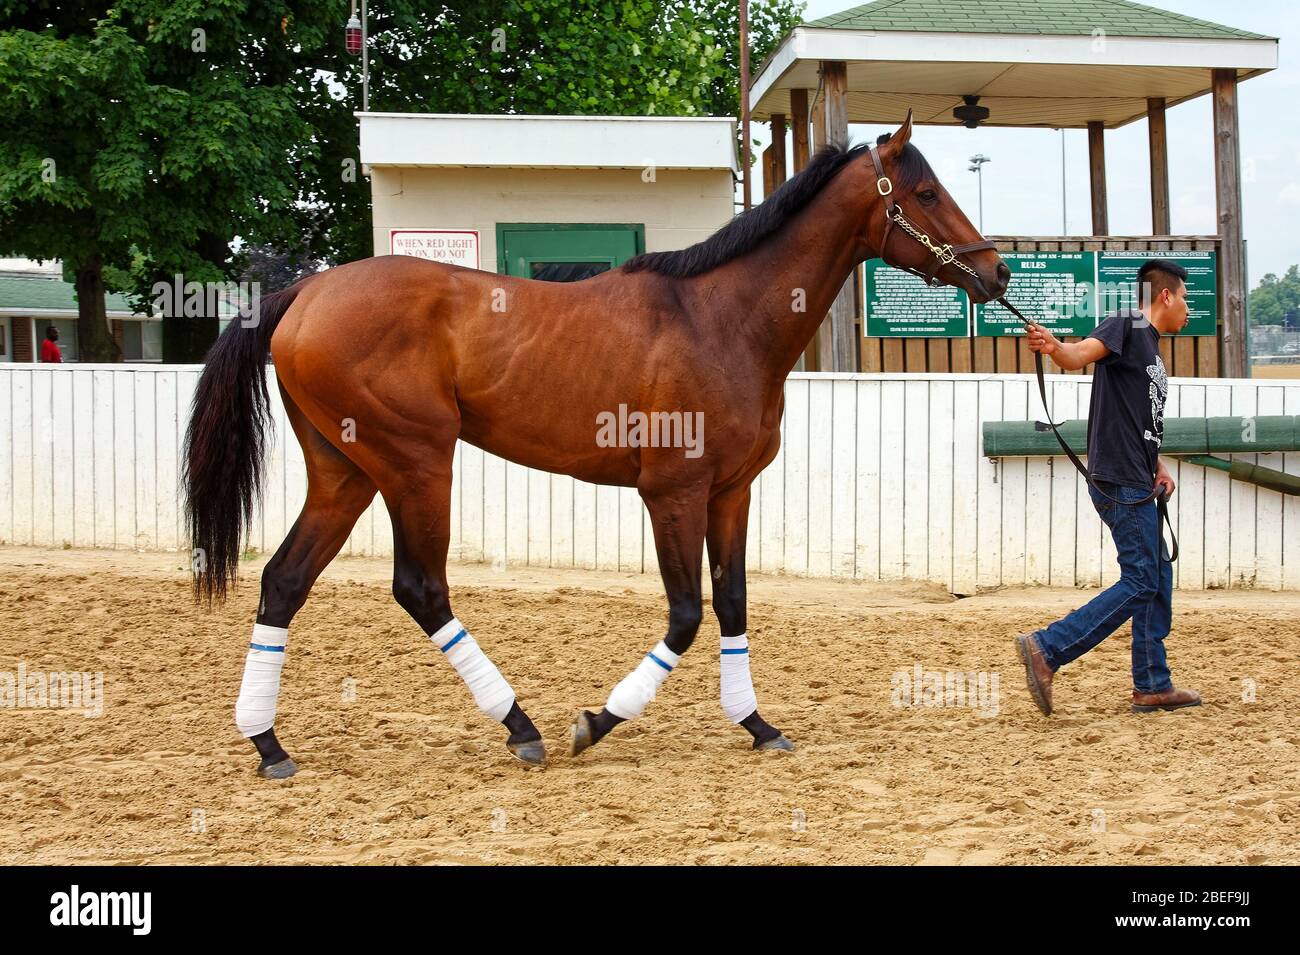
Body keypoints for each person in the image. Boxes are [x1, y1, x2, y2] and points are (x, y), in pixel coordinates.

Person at [1015, 259, 1201, 715]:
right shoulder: (1128, 323)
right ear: (1166, 296)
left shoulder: (1150, 347)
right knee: (1141, 579)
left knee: (1156, 576)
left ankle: (1153, 683)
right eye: (1186, 300)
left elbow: (1138, 416)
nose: (1188, 311)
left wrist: (1155, 461)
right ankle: (1048, 648)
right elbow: (1079, 355)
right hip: (1119, 479)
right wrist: (1055, 347)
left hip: (1136, 476)